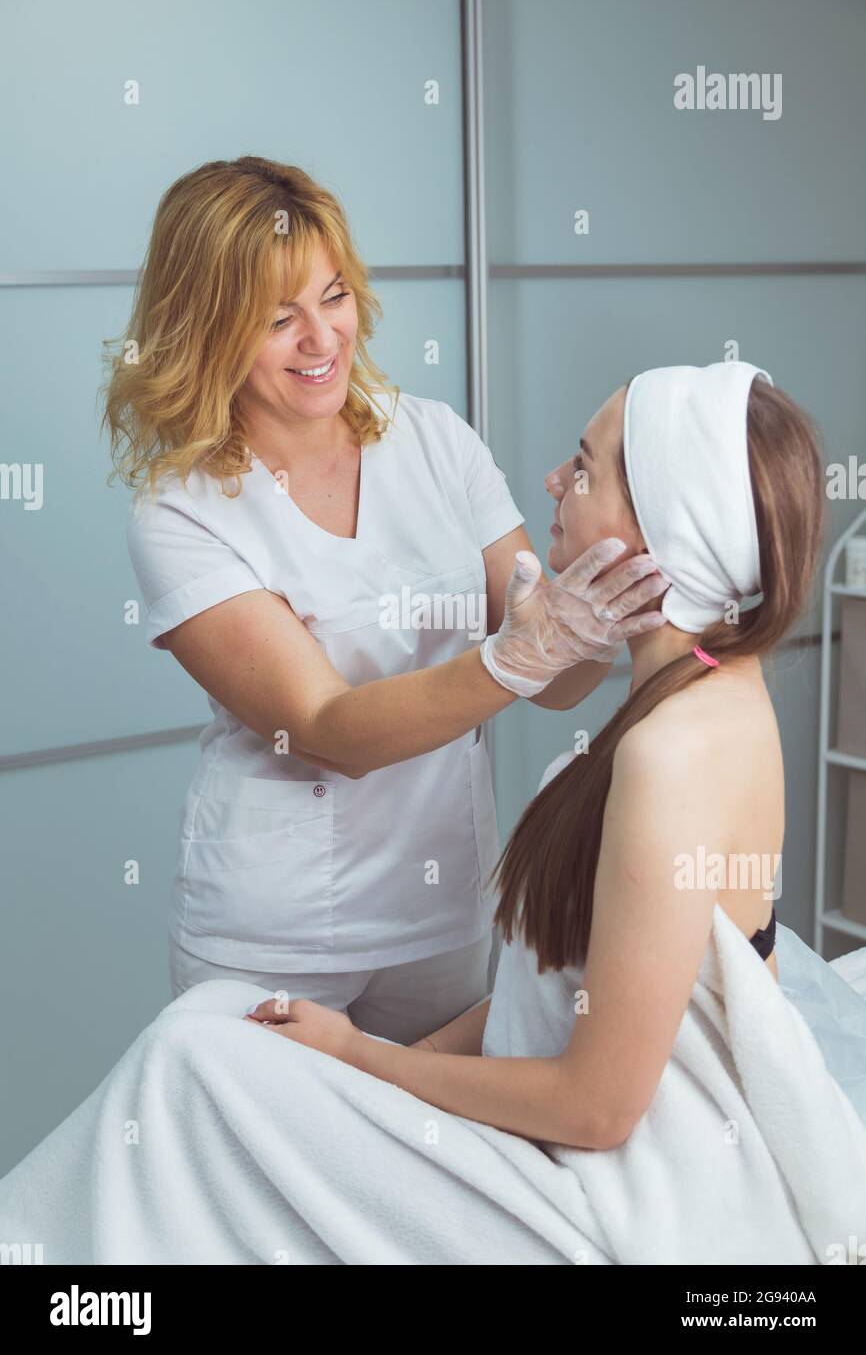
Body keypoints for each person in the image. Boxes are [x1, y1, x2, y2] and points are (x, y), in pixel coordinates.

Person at [7, 362, 863, 1264]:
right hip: (310, 931)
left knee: (184, 1075)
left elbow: (598, 1105)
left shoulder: (670, 751)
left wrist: (362, 1059)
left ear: (658, 531)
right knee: (201, 1037)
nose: (552, 484)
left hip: (603, 1188)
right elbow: (329, 728)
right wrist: (353, 1055)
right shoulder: (720, 683)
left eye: (583, 466)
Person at [108, 155, 667, 1037]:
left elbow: (555, 682)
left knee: (425, 1156)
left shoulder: (436, 442)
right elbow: (329, 730)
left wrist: (588, 627)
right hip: (275, 928)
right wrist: (515, 655)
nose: (323, 340)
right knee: (266, 1168)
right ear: (205, 330)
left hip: (441, 906)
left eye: (334, 297)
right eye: (277, 318)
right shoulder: (181, 512)